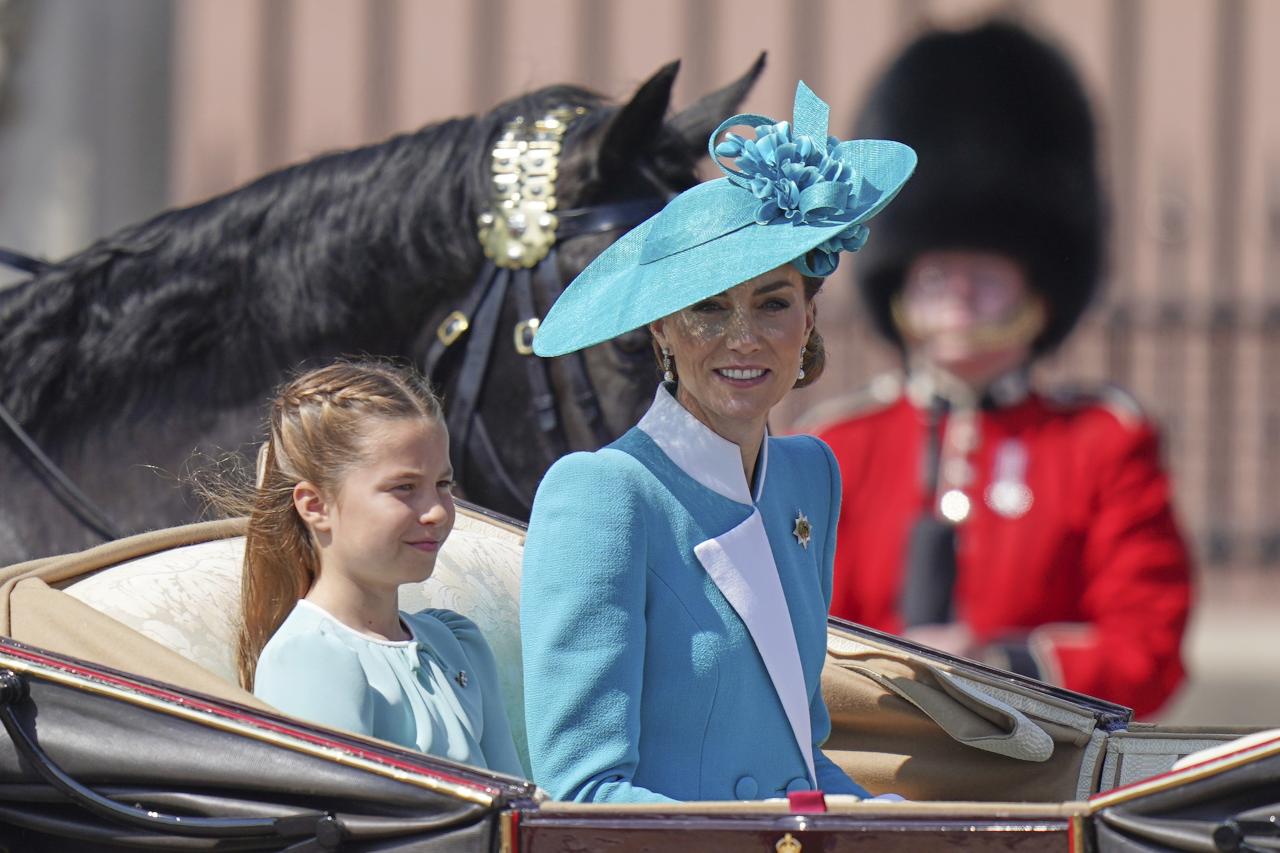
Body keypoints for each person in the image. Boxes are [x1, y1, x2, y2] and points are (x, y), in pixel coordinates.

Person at [519, 82, 916, 802]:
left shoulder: (809, 473)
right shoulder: (604, 492)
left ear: (810, 317)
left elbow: (799, 753)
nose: (744, 339)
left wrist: (879, 819)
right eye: (708, 308)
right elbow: (584, 792)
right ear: (660, 330)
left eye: (773, 303)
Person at [811, 21, 1193, 719]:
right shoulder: (841, 445)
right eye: (935, 275)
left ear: (1037, 287)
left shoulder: (1103, 443)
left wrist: (1000, 663)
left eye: (983, 277)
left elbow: (1149, 645)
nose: (957, 297)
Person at [235, 360, 523, 775]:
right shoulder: (312, 658)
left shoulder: (454, 642)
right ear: (315, 506)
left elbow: (520, 807)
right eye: (404, 488)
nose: (437, 512)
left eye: (443, 484)